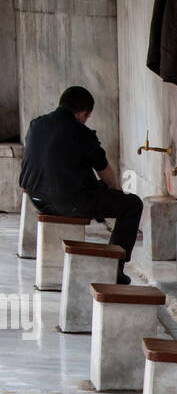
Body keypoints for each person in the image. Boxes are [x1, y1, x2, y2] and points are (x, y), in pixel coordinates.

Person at [19, 86, 143, 282]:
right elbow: (103, 170)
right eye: (86, 117)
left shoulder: (37, 124)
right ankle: (115, 268)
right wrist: (117, 191)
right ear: (82, 113)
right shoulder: (81, 133)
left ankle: (101, 217)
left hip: (36, 198)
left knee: (98, 193)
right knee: (132, 205)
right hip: (70, 203)